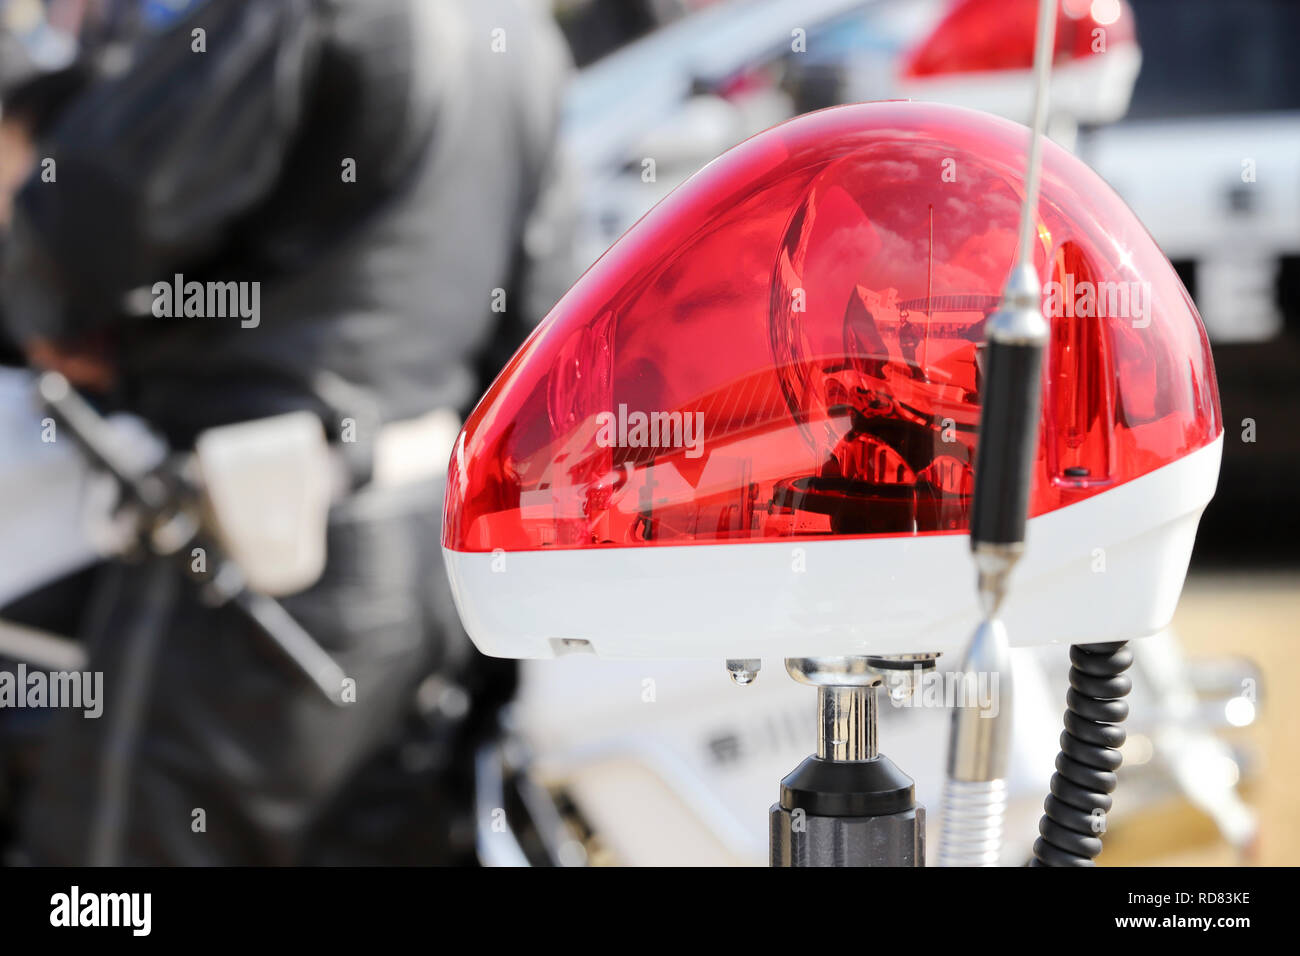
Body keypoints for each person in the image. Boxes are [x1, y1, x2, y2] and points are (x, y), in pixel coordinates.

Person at [0, 0, 573, 864]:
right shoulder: (520, 32)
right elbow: (541, 337)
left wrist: (57, 319)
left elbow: (90, 215)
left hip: (249, 565)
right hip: (427, 563)